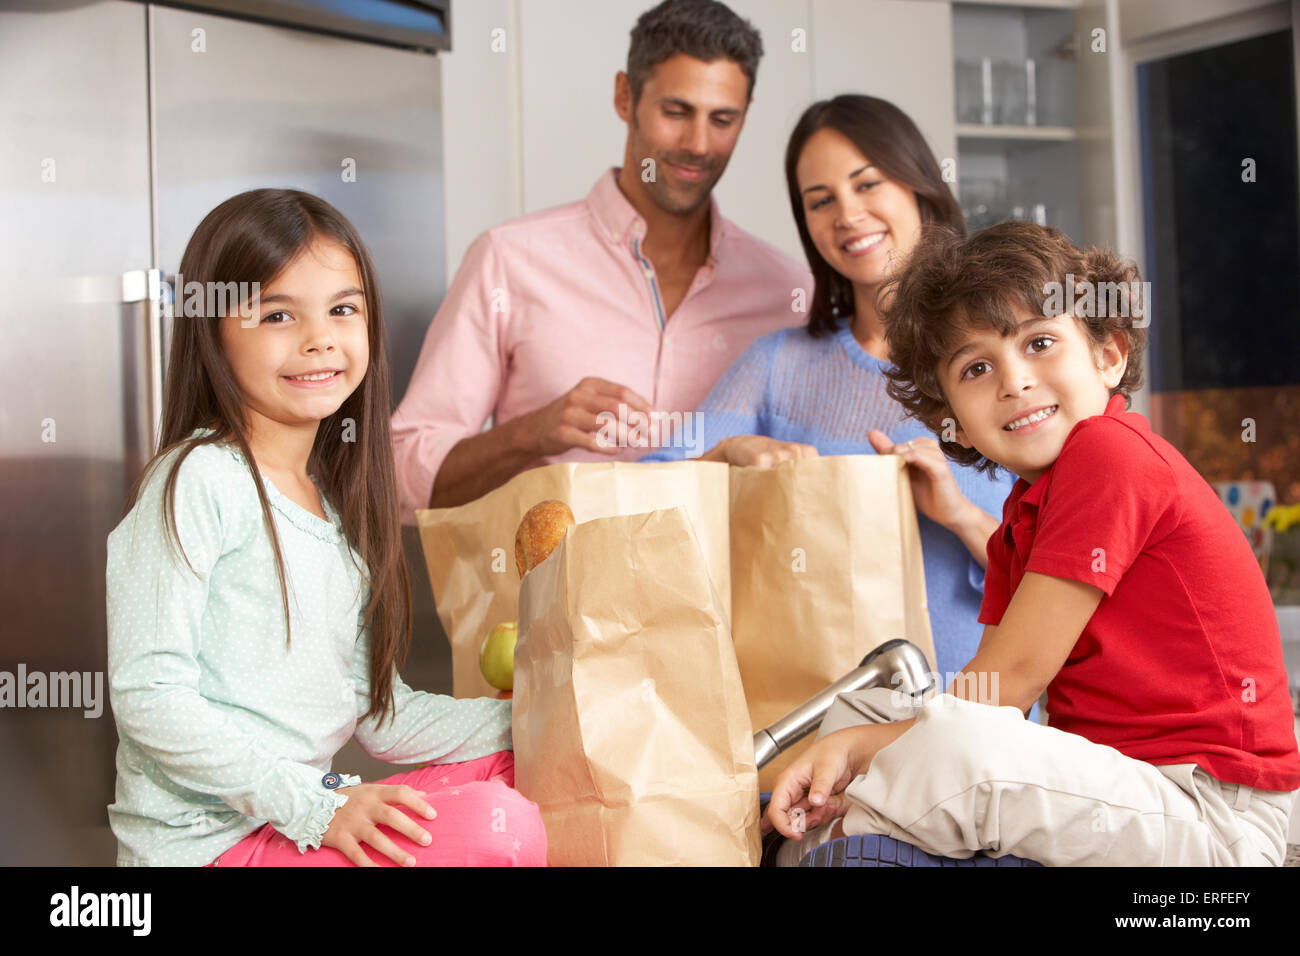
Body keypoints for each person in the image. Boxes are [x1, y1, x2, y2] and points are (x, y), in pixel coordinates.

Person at [764, 221, 1300, 866]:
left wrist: (857, 751)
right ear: (951, 422)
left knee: (934, 740)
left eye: (1040, 342)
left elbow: (1007, 686)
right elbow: (987, 700)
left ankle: (833, 829)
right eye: (977, 367)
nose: (1014, 381)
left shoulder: (1110, 454)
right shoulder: (1023, 514)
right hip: (1131, 794)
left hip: (1212, 816)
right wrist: (869, 736)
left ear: (1109, 356)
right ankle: (845, 830)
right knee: (871, 706)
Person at [106, 189, 546, 867]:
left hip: (298, 811)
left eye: (342, 309)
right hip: (209, 846)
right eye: (278, 313)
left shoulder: (333, 509)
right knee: (500, 827)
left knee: (534, 769)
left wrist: (547, 716)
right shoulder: (198, 480)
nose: (320, 339)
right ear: (213, 331)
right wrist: (315, 803)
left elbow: (380, 715)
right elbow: (149, 698)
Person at [642, 95, 1016, 686]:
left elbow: (1063, 575)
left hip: (976, 730)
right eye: (821, 201)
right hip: (815, 731)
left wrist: (963, 517)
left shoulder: (1005, 358)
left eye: (867, 185)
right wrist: (724, 458)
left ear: (919, 186)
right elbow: (642, 493)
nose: (847, 214)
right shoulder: (778, 364)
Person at [390, 0, 811, 521]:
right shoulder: (510, 261)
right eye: (676, 112)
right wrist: (531, 432)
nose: (698, 144)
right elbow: (401, 474)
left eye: (722, 119)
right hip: (547, 601)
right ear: (624, 96)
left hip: (736, 602)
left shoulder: (789, 292)